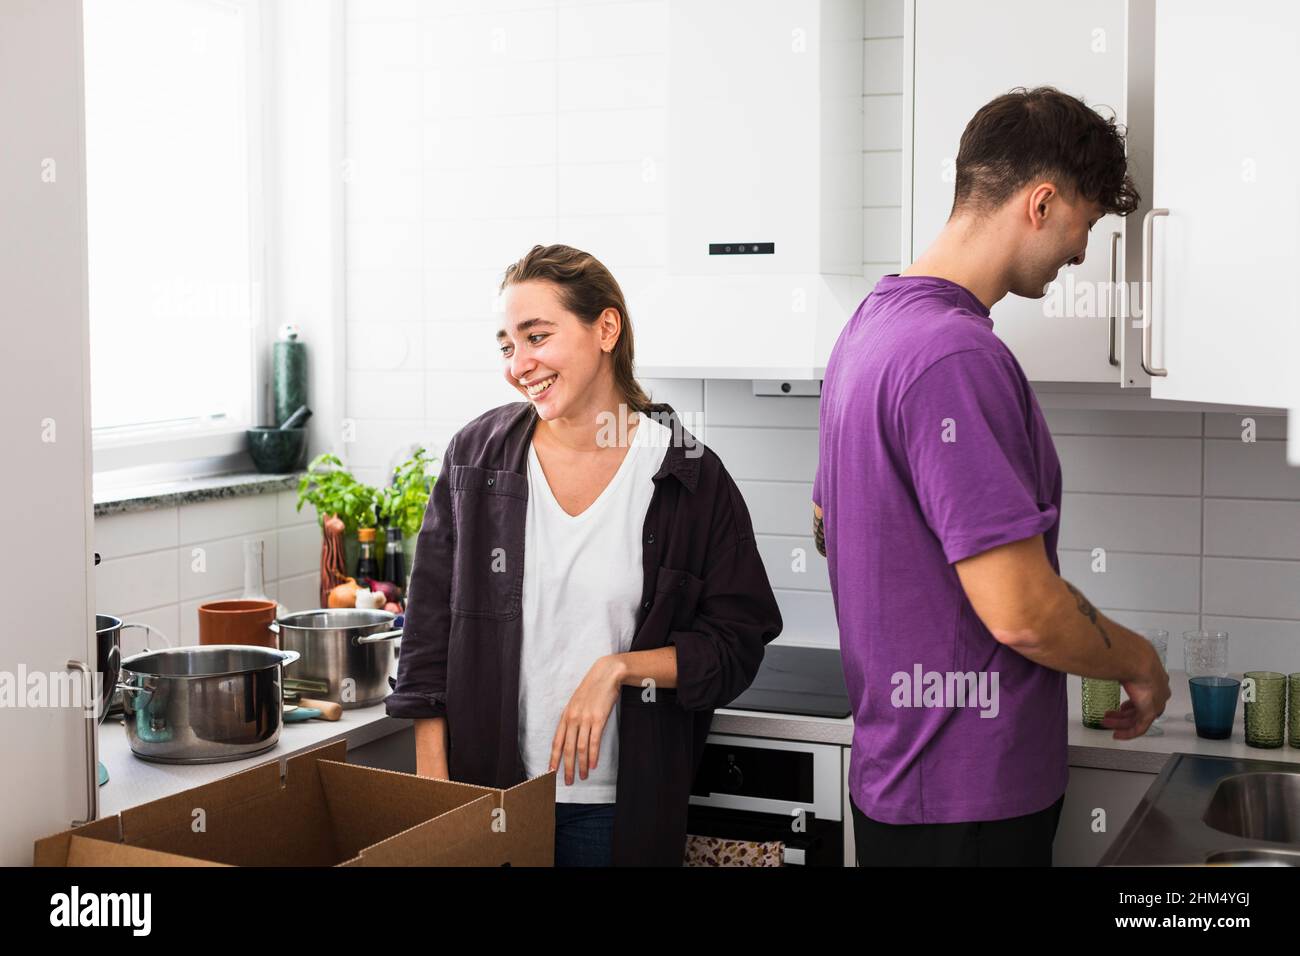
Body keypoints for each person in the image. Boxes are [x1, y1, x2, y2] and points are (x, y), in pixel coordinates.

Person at [813, 87, 1170, 867]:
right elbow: (1020, 612)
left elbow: (825, 524)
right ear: (1042, 202)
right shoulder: (955, 357)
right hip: (968, 798)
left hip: (899, 781)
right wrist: (1140, 662)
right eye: (1087, 224)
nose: (1082, 254)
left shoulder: (869, 329)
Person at [387, 243, 783, 866]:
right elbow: (428, 636)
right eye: (506, 345)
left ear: (606, 327)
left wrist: (620, 669)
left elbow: (737, 643)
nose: (519, 364)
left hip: (614, 810)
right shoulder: (476, 460)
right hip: (488, 798)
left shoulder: (689, 477)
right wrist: (438, 796)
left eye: (536, 336)